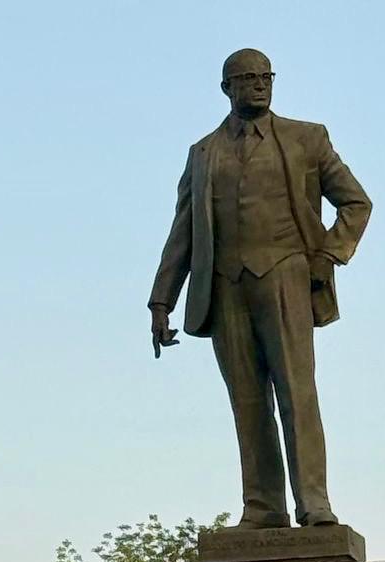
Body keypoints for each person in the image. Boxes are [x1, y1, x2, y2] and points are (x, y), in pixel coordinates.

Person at [149, 48, 371, 530]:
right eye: (247, 78)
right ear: (226, 87)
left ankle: (314, 503)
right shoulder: (202, 153)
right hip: (225, 287)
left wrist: (327, 254)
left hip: (286, 275)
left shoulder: (306, 139)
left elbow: (355, 203)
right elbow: (183, 232)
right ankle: (264, 507)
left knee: (297, 393)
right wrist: (161, 300)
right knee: (247, 402)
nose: (258, 85)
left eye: (265, 76)